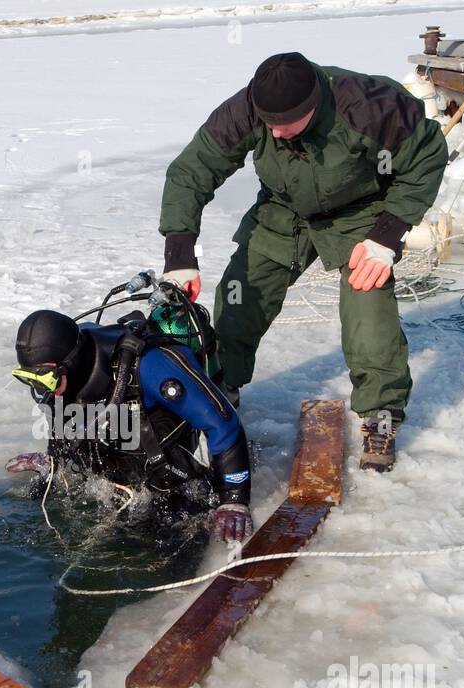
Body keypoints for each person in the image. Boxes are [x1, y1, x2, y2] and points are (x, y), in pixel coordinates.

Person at [158, 52, 448, 471]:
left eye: (284, 124)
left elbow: (426, 155)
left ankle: (379, 416)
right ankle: (223, 389)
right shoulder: (248, 109)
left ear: (311, 107)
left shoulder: (369, 104)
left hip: (361, 213)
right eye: (267, 123)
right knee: (242, 295)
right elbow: (193, 169)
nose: (274, 133)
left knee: (369, 311)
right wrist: (180, 252)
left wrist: (388, 234)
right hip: (284, 207)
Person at [6, 308, 254, 543]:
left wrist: (233, 500)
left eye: (46, 380)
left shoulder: (148, 365)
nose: (42, 392)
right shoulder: (60, 380)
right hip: (122, 472)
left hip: (175, 481)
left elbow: (223, 423)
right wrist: (54, 459)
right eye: (30, 380)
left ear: (72, 361)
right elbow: (66, 419)